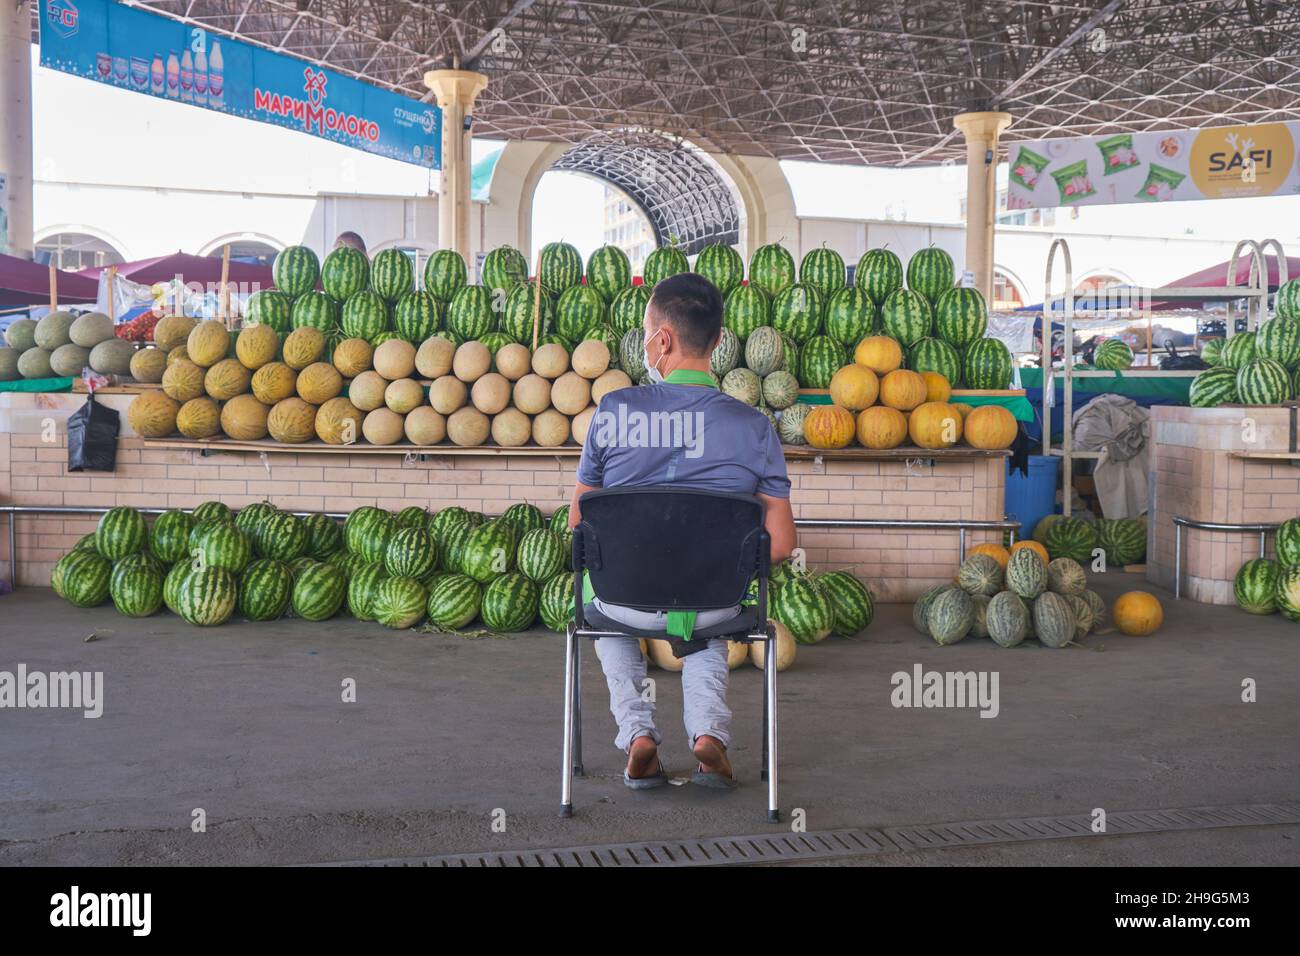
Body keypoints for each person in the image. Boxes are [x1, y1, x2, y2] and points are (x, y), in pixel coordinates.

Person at [568, 272, 796, 790]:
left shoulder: (613, 410)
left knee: (604, 613)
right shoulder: (754, 427)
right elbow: (781, 546)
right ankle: (708, 735)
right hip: (713, 600)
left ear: (661, 340)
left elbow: (581, 527)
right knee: (707, 605)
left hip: (622, 598)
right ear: (717, 342)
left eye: (647, 331)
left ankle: (638, 734)